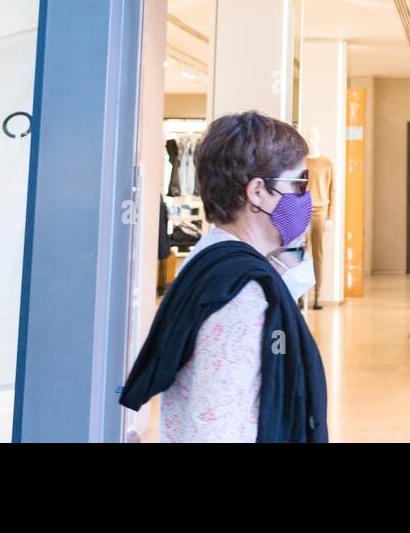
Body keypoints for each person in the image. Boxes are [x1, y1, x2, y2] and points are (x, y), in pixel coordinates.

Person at [121, 111, 328, 442]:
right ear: (258, 191)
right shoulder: (241, 294)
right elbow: (214, 425)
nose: (307, 199)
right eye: (300, 185)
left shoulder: (211, 261)